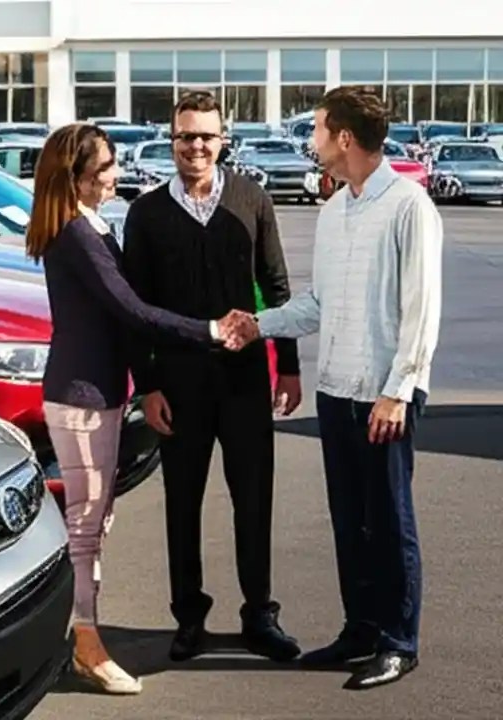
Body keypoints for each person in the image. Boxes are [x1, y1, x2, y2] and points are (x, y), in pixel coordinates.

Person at [224, 86, 442, 690]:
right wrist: (258, 324)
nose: (311, 140)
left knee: (391, 519)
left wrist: (398, 391)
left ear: (344, 137)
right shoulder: (334, 211)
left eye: (317, 129)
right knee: (350, 520)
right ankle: (361, 630)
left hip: (384, 393)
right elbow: (318, 304)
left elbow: (421, 311)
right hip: (337, 391)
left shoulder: (408, 206)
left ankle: (399, 641)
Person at [25, 122, 246, 695]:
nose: (115, 175)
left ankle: (80, 634)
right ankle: (86, 645)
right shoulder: (75, 232)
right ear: (75, 177)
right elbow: (133, 311)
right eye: (104, 168)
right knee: (85, 526)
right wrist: (210, 330)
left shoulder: (91, 226)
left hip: (101, 393)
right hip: (80, 398)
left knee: (93, 522)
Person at [120, 91, 303, 663]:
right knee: (183, 505)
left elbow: (277, 288)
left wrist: (289, 366)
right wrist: (147, 386)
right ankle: (188, 616)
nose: (196, 146)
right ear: (170, 140)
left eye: (206, 136)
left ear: (224, 140)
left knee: (253, 501)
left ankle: (259, 614)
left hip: (245, 380)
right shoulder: (146, 213)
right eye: (185, 136)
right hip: (178, 388)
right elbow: (135, 310)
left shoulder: (252, 200)